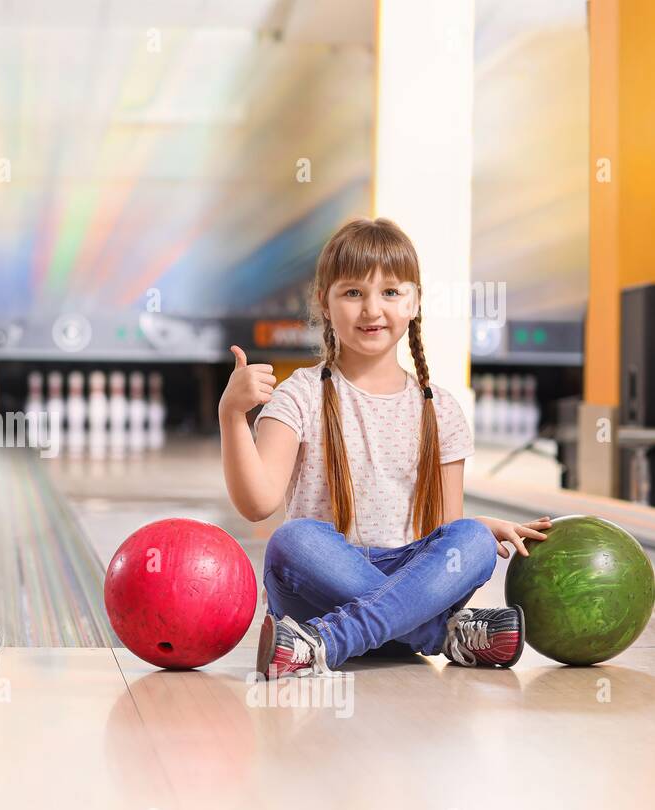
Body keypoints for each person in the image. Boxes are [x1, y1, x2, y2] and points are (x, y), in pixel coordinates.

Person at [218, 217, 551, 679]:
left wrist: (474, 529)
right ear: (324, 303)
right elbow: (257, 506)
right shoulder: (300, 394)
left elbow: (443, 535)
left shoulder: (442, 410)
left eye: (390, 293)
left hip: (359, 598)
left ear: (414, 301)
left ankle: (325, 643)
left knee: (471, 539)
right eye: (353, 293)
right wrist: (231, 415)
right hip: (317, 585)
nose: (372, 309)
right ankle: (442, 635)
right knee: (293, 541)